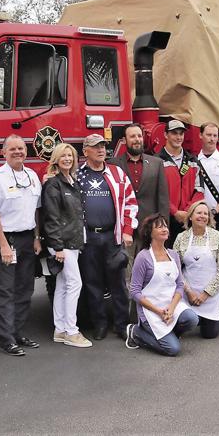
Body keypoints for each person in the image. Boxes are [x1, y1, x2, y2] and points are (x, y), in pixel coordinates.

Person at [0, 135, 43, 356]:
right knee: (5, 291)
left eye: (21, 148)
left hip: (27, 238)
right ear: (3, 153)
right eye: (13, 149)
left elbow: (36, 210)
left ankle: (18, 332)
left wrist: (37, 237)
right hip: (6, 240)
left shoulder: (32, 177)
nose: (18, 152)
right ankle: (6, 339)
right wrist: (3, 245)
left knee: (25, 289)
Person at [78, 133, 138, 340]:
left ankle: (122, 324)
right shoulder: (78, 175)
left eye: (103, 146)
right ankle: (100, 324)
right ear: (85, 151)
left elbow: (130, 202)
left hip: (113, 237)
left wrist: (128, 230)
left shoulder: (117, 173)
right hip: (89, 239)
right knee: (92, 284)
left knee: (118, 283)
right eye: (95, 147)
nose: (101, 150)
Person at [126, 214, 199, 356]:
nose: (165, 229)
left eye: (165, 226)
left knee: (192, 319)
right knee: (173, 349)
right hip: (151, 310)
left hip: (171, 306)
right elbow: (134, 291)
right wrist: (159, 312)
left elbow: (179, 285)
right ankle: (135, 332)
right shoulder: (143, 257)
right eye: (159, 227)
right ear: (149, 233)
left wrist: (171, 309)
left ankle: (168, 333)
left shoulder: (173, 255)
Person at [41, 143, 91, 347]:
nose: (68, 159)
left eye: (70, 156)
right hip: (63, 243)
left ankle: (60, 329)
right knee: (74, 283)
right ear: (56, 159)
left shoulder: (72, 180)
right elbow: (51, 217)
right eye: (63, 156)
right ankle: (72, 331)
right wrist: (58, 247)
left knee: (62, 285)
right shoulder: (53, 184)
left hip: (72, 241)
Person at [108, 123, 170, 250]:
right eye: (132, 136)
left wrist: (163, 225)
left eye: (139, 136)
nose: (137, 139)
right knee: (126, 266)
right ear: (124, 140)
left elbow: (163, 198)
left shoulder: (156, 163)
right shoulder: (113, 165)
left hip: (149, 226)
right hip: (123, 226)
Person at [173, 200, 219, 339]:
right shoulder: (181, 237)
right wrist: (189, 292)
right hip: (188, 294)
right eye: (199, 213)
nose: (202, 216)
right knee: (187, 323)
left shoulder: (218, 237)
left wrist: (206, 294)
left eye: (205, 213)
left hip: (211, 295)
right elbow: (176, 269)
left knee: (210, 334)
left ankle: (214, 315)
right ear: (190, 216)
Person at [157, 119, 204, 247]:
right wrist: (175, 212)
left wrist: (188, 211)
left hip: (188, 219)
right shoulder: (157, 161)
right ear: (166, 135)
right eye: (174, 133)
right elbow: (156, 193)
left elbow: (199, 190)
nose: (179, 137)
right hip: (165, 220)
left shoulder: (192, 161)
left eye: (181, 134)